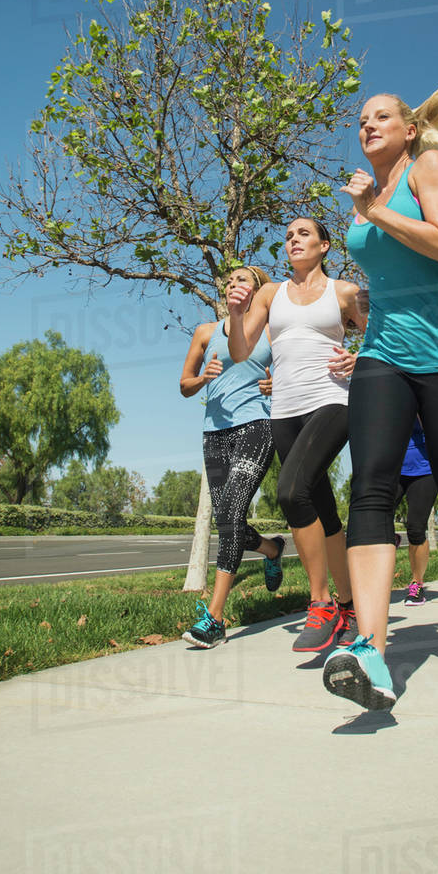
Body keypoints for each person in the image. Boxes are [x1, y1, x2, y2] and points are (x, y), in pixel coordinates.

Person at [322, 86, 438, 712]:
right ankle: (372, 652)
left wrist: (374, 211)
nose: (367, 125)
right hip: (383, 354)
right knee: (370, 486)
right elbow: (386, 275)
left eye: (381, 117)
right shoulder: (363, 200)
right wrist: (359, 314)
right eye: (361, 120)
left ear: (408, 129)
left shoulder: (425, 167)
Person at [228, 218, 366, 653]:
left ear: (325, 245)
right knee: (322, 509)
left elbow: (384, 336)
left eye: (303, 234)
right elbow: (240, 351)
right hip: (284, 411)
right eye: (288, 236)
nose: (293, 240)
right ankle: (350, 608)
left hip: (332, 401)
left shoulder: (345, 292)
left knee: (290, 492)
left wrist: (361, 358)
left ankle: (321, 603)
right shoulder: (270, 294)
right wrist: (236, 314)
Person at [178, 266, 285, 648]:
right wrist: (203, 378)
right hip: (215, 433)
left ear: (257, 290)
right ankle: (272, 548)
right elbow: (184, 385)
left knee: (231, 512)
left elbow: (292, 372)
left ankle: (215, 617)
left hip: (257, 425)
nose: (233, 284)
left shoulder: (271, 329)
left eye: (243, 280)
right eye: (229, 281)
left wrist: (276, 382)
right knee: (228, 519)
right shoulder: (205, 332)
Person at [395, 420, 438, 606]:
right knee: (375, 518)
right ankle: (390, 539)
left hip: (425, 470)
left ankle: (417, 584)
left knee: (416, 528)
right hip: (392, 467)